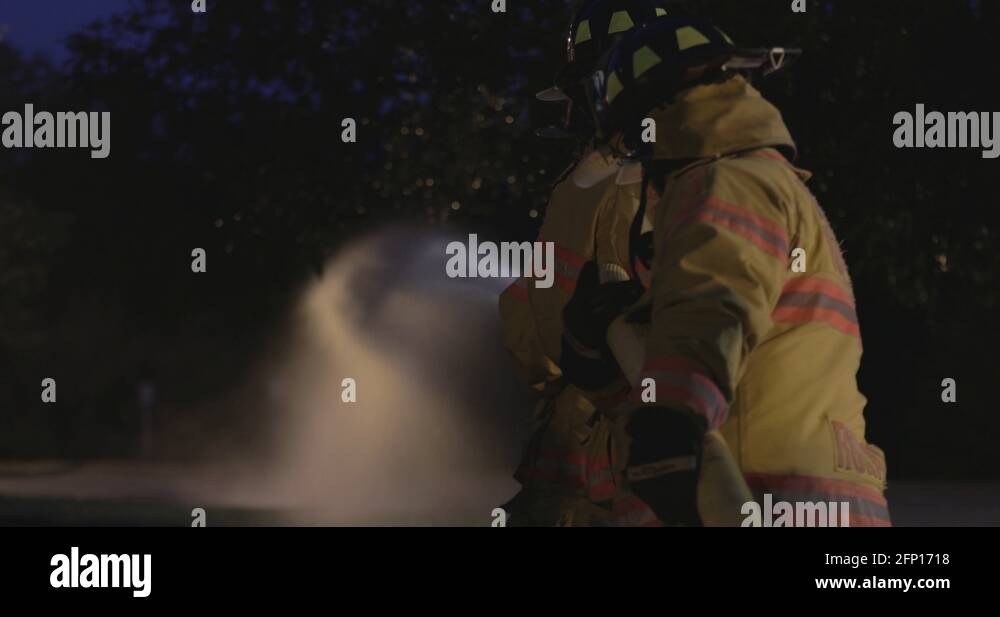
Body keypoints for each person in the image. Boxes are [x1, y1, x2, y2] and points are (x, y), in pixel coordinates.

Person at [560, 15, 890, 526]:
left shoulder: (724, 181)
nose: (634, 161)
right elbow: (715, 360)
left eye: (631, 138)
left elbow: (712, 309)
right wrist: (600, 364)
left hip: (753, 498)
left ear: (662, 109)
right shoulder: (764, 185)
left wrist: (671, 421)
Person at [499, 0, 671, 526]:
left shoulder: (585, 186)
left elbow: (533, 337)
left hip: (584, 455)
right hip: (624, 457)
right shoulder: (674, 177)